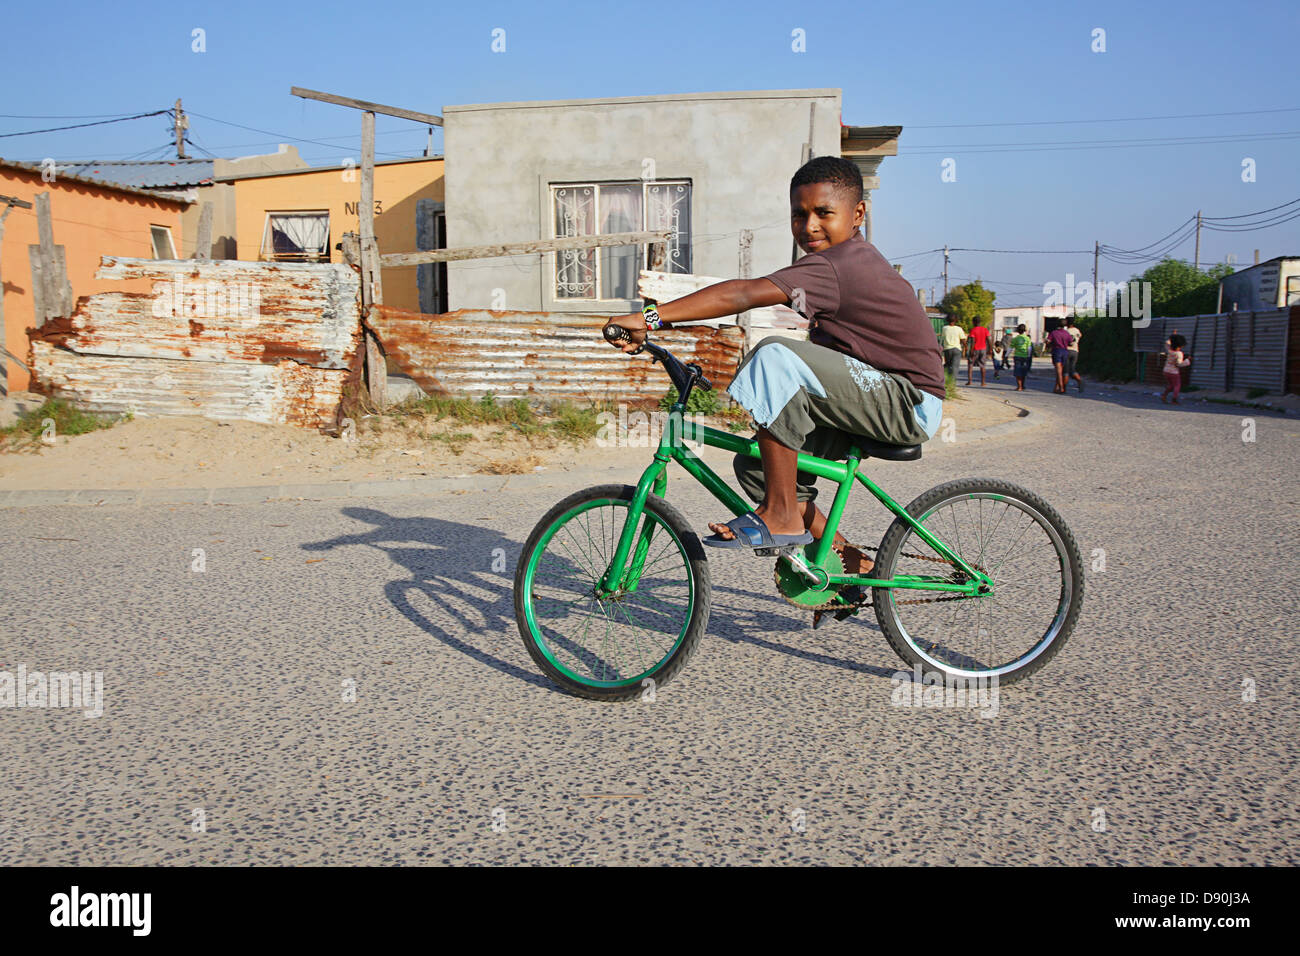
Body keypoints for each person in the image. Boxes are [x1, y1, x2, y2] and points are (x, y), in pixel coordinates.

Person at [602, 156, 944, 578]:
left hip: (907, 402)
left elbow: (743, 294)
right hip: (872, 394)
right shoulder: (832, 264)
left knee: (774, 354)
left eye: (824, 213)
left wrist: (648, 318)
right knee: (757, 464)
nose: (810, 225)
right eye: (799, 215)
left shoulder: (841, 264)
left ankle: (781, 516)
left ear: (858, 214)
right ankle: (847, 562)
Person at [1046, 323, 1074, 393]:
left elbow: (1048, 341)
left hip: (1057, 350)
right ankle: (1056, 387)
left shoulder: (1054, 333)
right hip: (1065, 351)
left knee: (1058, 370)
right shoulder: (1067, 333)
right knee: (1060, 370)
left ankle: (1061, 387)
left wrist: (1049, 345)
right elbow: (1071, 343)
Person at [966, 318, 990, 386]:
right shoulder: (985, 329)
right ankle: (983, 382)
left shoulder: (973, 330)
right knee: (982, 365)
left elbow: (973, 341)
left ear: (973, 322)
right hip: (983, 349)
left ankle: (970, 381)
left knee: (970, 365)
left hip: (975, 349)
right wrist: (990, 349)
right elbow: (988, 339)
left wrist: (971, 350)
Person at [940, 316, 966, 380]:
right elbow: (963, 339)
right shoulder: (959, 329)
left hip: (947, 349)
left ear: (947, 320)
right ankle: (952, 382)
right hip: (956, 349)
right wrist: (966, 347)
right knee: (955, 366)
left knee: (948, 365)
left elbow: (942, 338)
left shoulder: (944, 328)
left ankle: (946, 379)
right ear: (956, 320)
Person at [1063, 316, 1084, 392]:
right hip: (1075, 351)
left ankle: (1063, 388)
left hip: (1067, 350)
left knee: (1065, 371)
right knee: (1072, 369)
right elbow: (1080, 336)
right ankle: (1079, 381)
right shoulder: (1077, 330)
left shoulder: (1066, 331)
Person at [1010, 324, 1033, 391]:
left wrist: (1006, 355)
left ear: (1018, 330)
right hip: (1025, 357)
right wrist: (1028, 355)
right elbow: (1029, 348)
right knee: (1023, 371)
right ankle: (1023, 385)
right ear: (1024, 330)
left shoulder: (1015, 338)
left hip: (1017, 356)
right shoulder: (1027, 338)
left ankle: (1019, 386)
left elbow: (1011, 348)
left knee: (1018, 371)